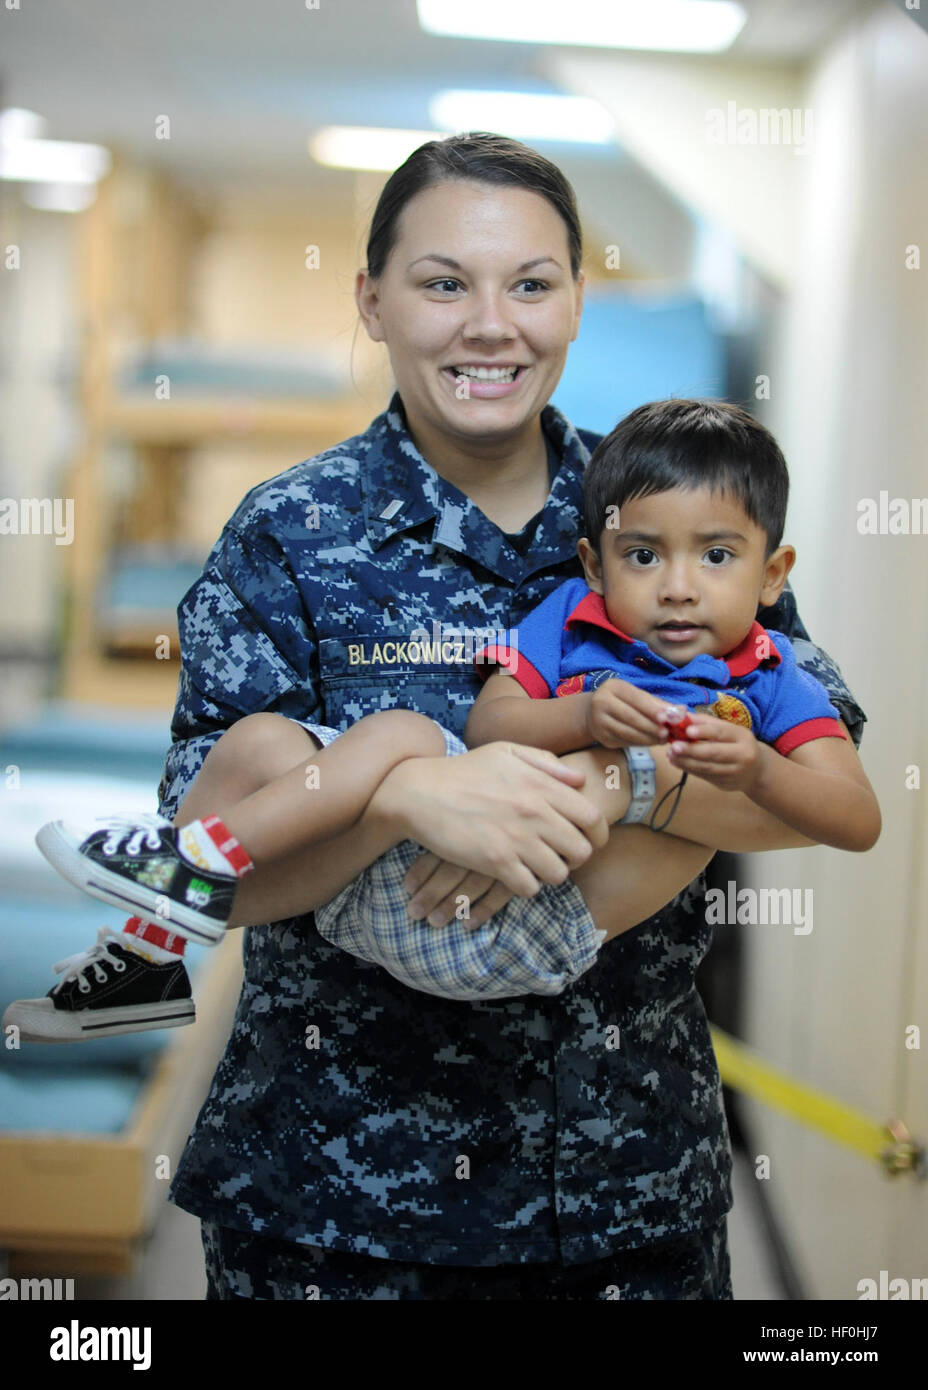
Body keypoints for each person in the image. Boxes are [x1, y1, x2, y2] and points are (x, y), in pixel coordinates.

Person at [7, 133, 869, 1299]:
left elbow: (802, 792)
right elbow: (214, 874)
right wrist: (401, 794)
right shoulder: (289, 536)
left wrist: (634, 784)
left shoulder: (674, 515)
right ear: (371, 301)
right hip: (330, 1205)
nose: (490, 326)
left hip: (620, 1202)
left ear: (575, 300)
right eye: (442, 282)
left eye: (530, 283)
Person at [10, 398, 880, 1026]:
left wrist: (718, 770)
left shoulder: (766, 677)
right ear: (595, 562)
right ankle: (150, 956)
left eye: (718, 556)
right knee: (260, 743)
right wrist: (584, 721)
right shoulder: (577, 623)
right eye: (643, 556)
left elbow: (854, 817)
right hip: (410, 877)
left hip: (523, 927)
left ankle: (198, 873)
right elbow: (496, 726)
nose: (679, 586)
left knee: (394, 742)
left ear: (773, 577)